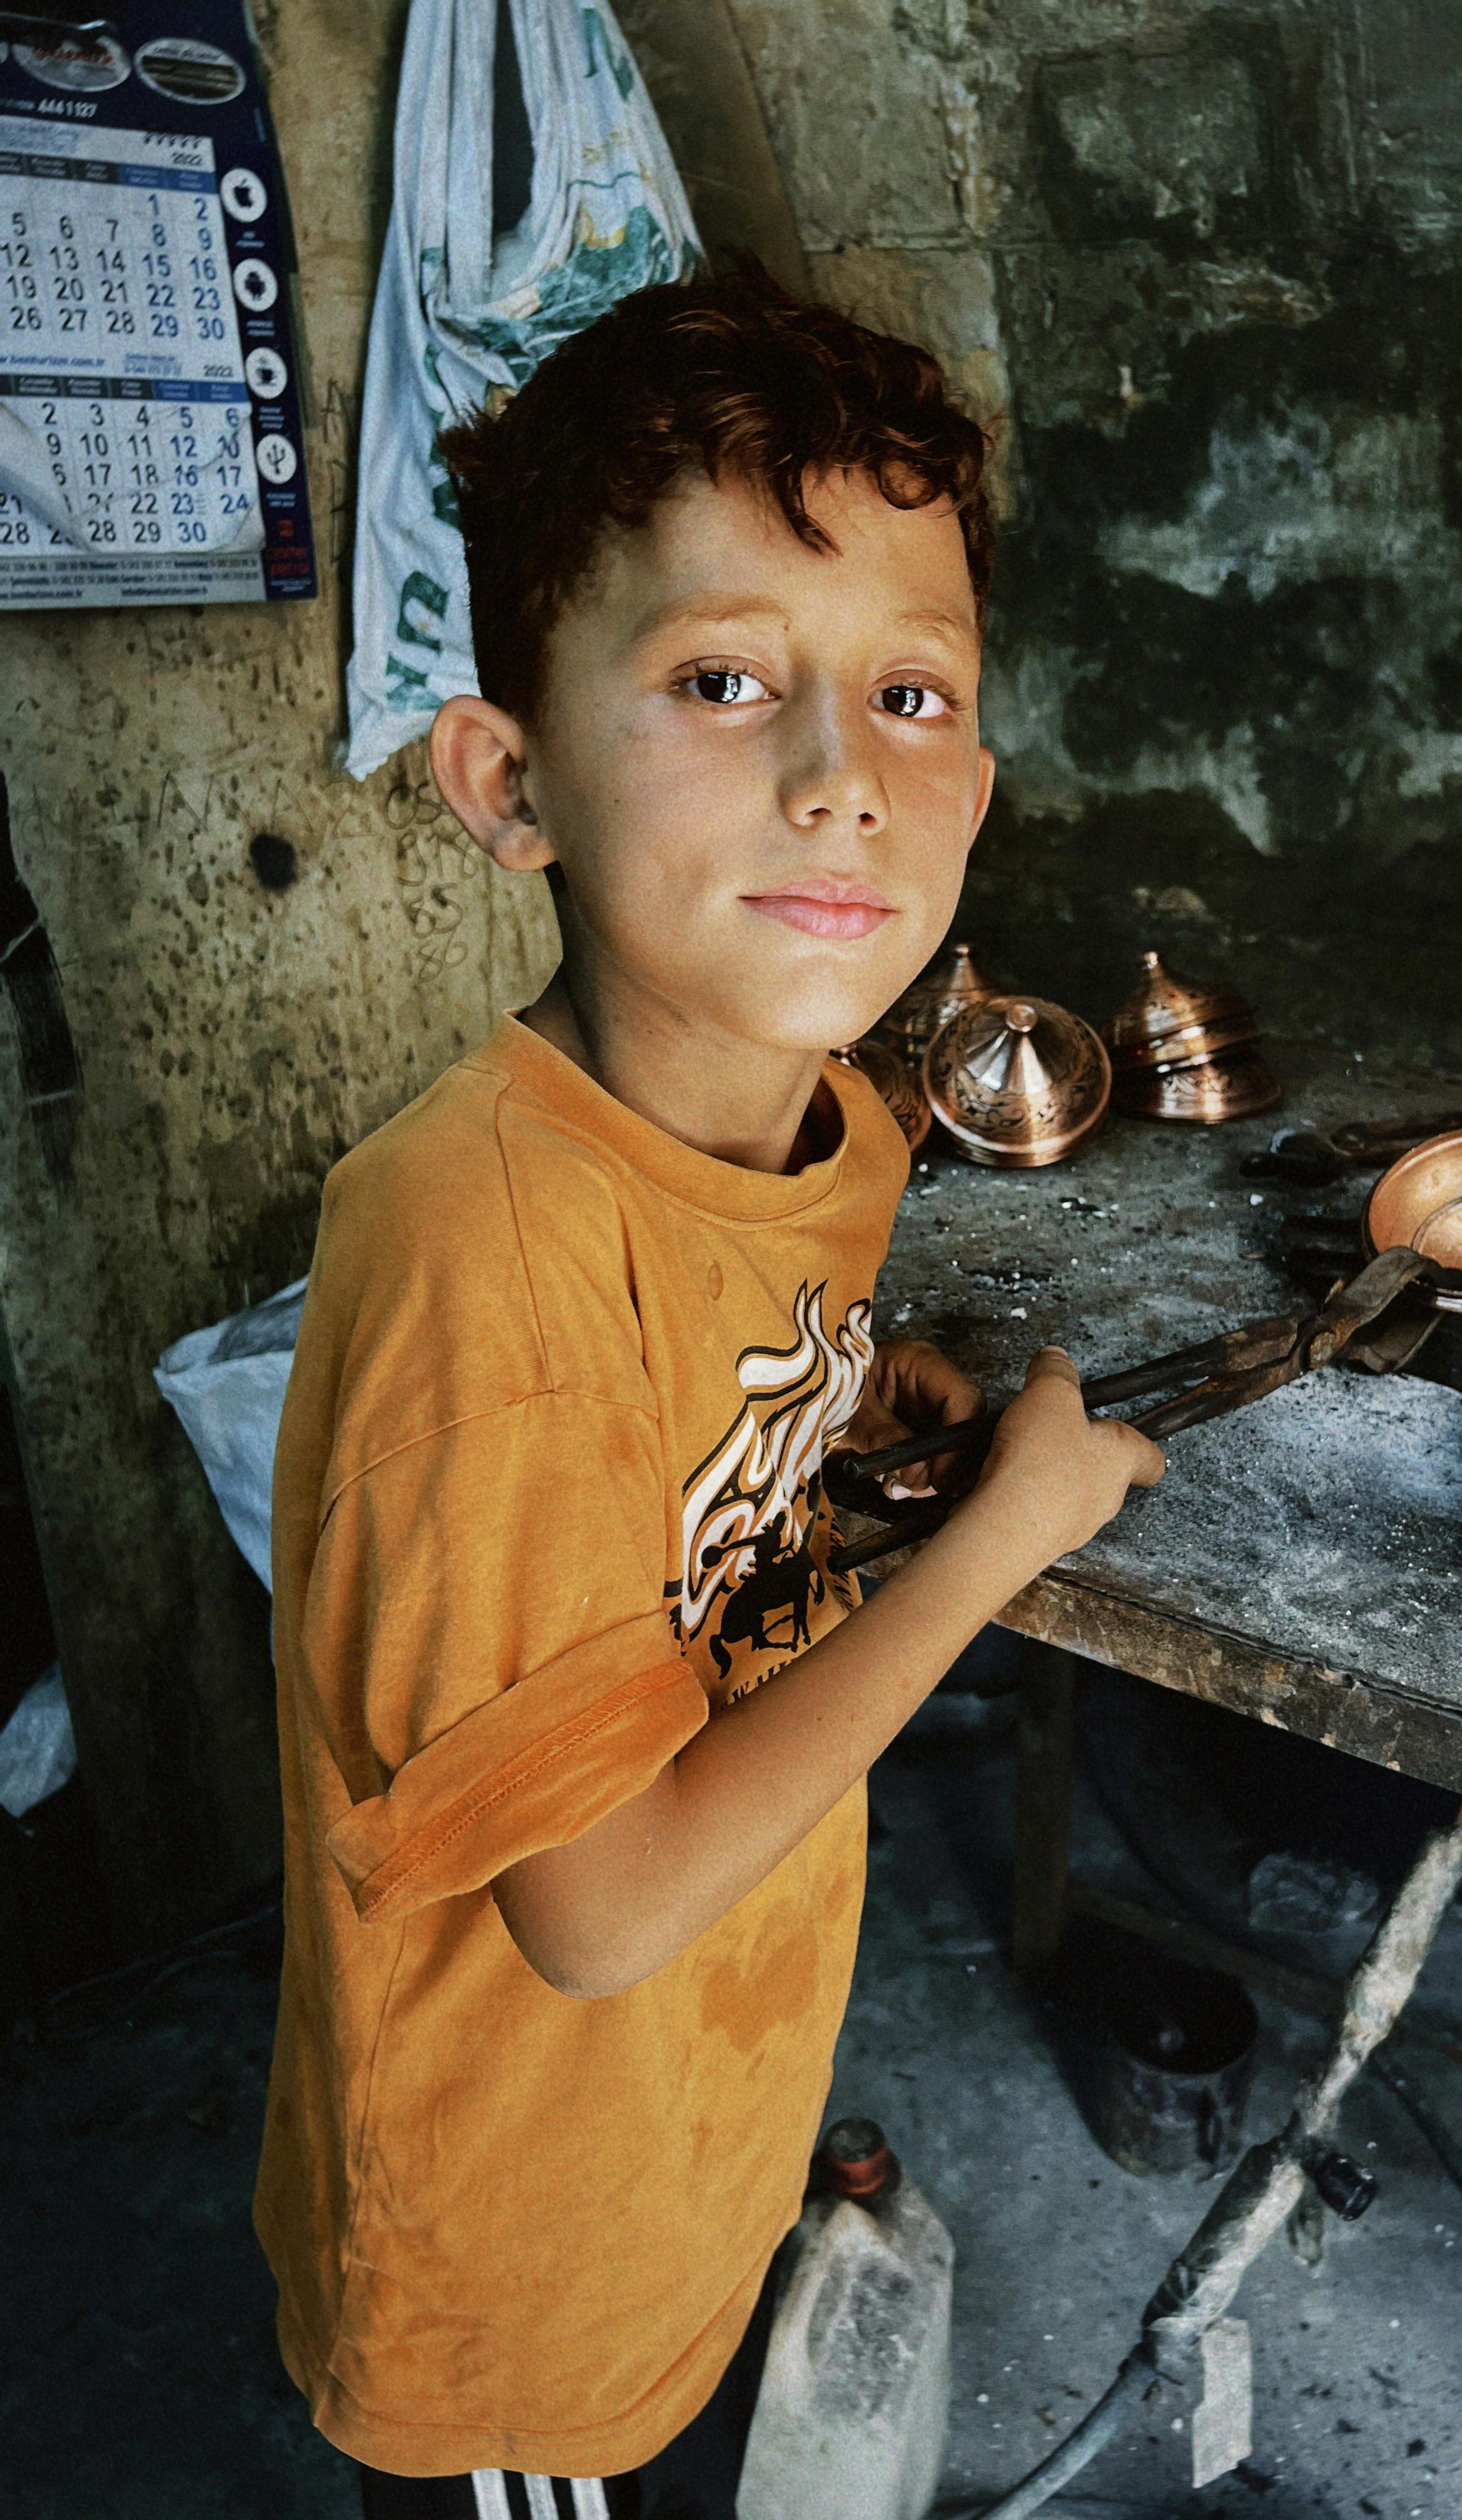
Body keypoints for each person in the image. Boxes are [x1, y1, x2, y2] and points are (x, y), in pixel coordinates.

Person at [256, 264, 1164, 2520]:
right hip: (519, 2272)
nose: (839, 775)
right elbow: (590, 1911)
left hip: (698, 2125)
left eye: (912, 690)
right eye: (722, 676)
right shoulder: (481, 1265)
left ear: (979, 776)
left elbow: (721, 1398)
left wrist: (861, 1413)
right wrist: (979, 1554)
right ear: (508, 780)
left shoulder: (813, 1117)